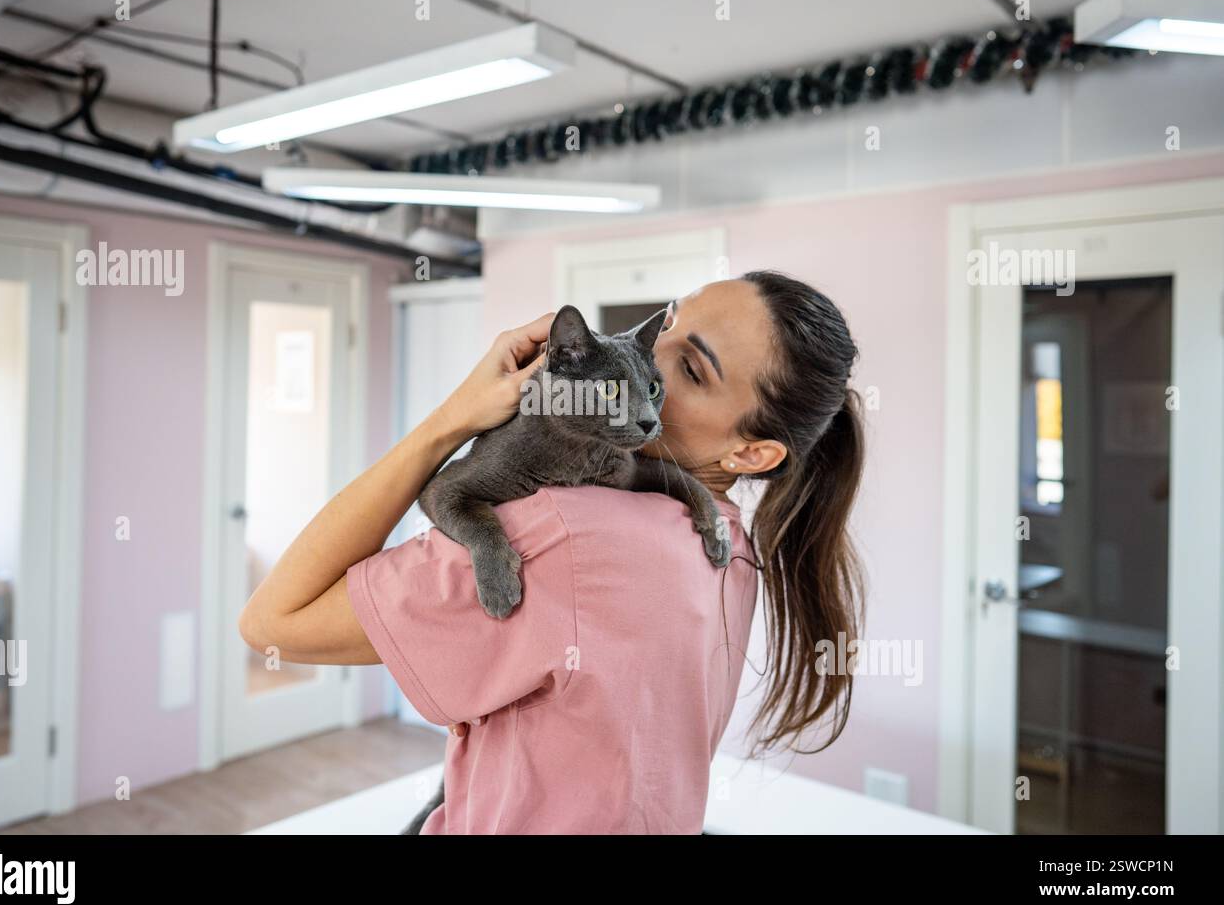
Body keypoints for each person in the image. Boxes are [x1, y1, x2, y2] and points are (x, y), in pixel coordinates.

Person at [239, 269, 866, 834]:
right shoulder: (730, 543)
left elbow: (273, 623)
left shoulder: (563, 533)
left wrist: (448, 421)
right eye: (669, 323)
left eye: (693, 370)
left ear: (751, 454)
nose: (650, 359)